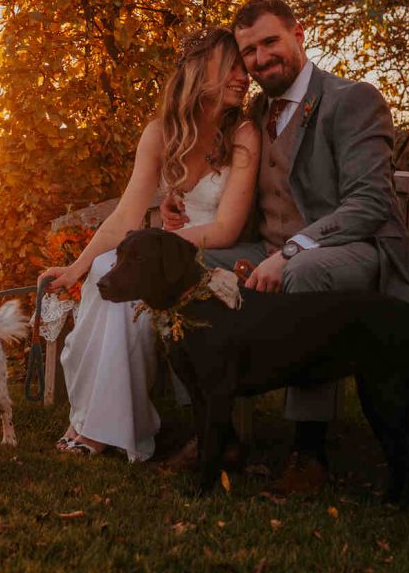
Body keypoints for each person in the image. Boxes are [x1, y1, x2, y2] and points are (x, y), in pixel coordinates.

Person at [163, 0, 409, 491]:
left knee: (305, 273)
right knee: (182, 271)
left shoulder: (352, 99)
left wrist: (293, 250)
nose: (260, 59)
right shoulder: (255, 113)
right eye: (249, 52)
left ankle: (309, 450)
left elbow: (369, 204)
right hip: (266, 251)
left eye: (270, 42)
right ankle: (215, 434)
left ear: (298, 34)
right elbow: (224, 183)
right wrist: (176, 204)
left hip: (351, 254)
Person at [39, 27, 260, 461]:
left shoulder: (244, 133)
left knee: (127, 274)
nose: (243, 75)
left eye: (244, 66)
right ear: (201, 71)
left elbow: (227, 229)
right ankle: (99, 421)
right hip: (168, 251)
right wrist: (76, 268)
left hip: (218, 253)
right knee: (105, 271)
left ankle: (97, 426)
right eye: (232, 66)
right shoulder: (161, 134)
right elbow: (124, 215)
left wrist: (161, 245)